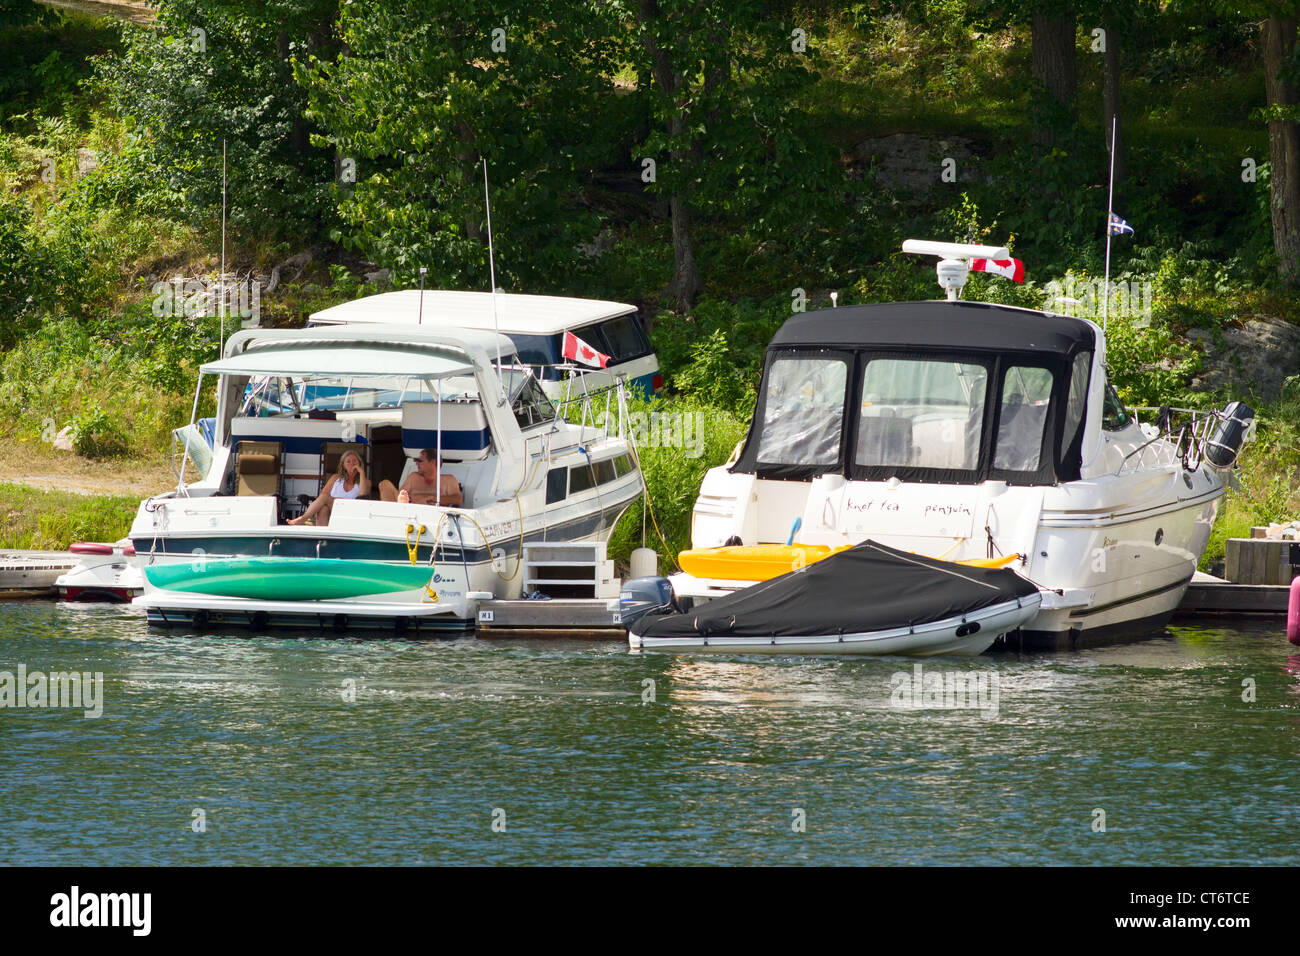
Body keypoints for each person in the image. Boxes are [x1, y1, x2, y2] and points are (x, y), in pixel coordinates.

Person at [289, 451, 370, 526]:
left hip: (351, 511)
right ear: (343, 465)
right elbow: (322, 495)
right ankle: (322, 537)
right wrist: (336, 500)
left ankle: (303, 518)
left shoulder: (365, 481)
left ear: (359, 463)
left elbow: (363, 494)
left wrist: (362, 473)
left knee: (325, 498)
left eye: (355, 461)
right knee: (323, 508)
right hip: (333, 509)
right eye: (348, 461)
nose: (352, 464)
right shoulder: (336, 478)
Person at [379, 448, 462, 507]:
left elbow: (458, 499)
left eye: (420, 461)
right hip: (409, 513)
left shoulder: (448, 480)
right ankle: (392, 514)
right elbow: (399, 495)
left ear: (432, 462)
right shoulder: (413, 477)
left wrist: (433, 498)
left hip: (433, 516)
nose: (417, 463)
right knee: (384, 484)